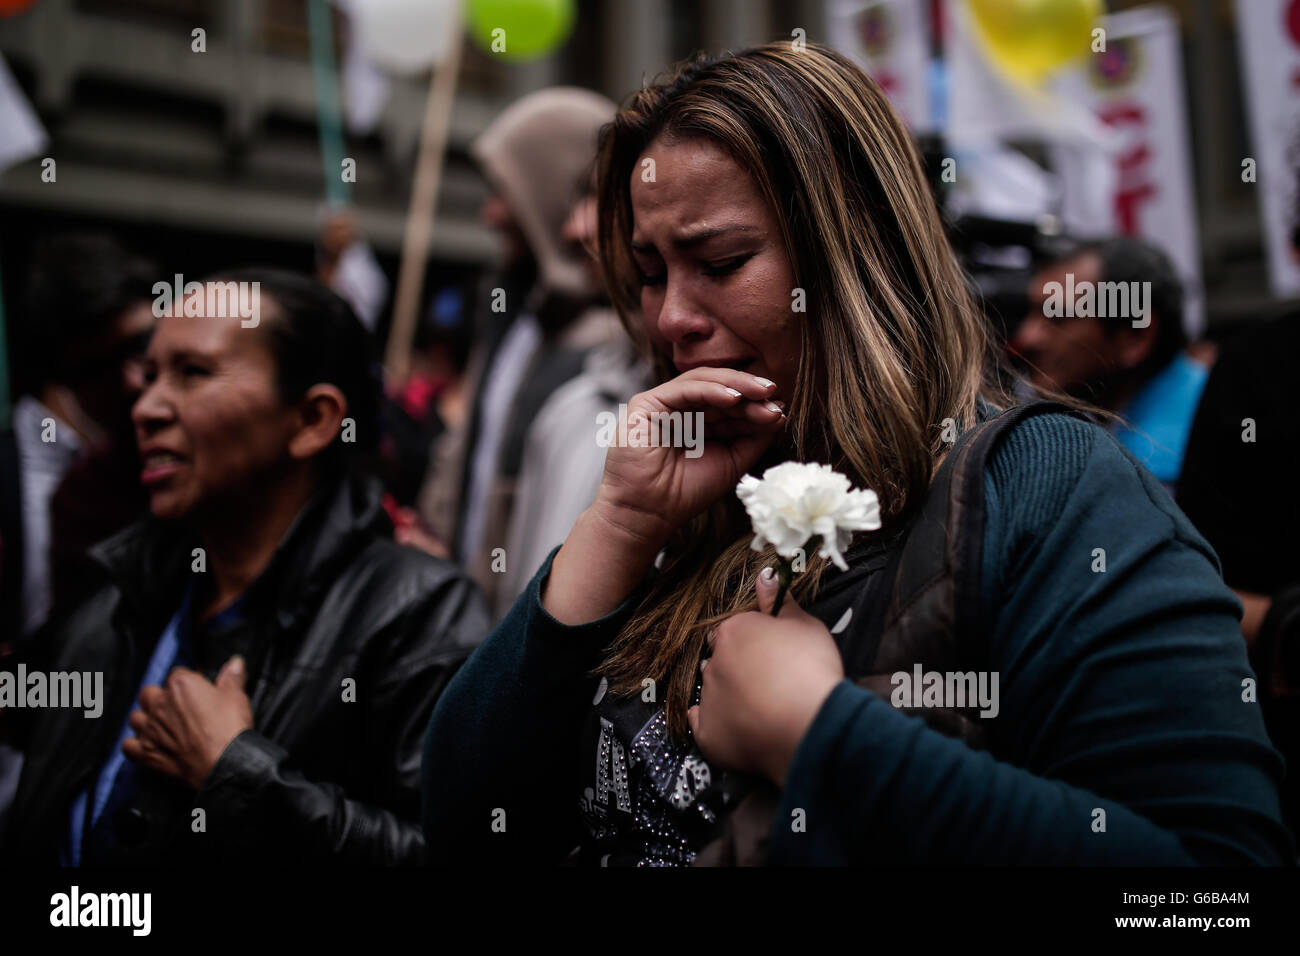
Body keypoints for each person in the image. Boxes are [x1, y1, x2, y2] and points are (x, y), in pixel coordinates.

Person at [421, 44, 1291, 866]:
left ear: (856, 254)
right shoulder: (678, 504)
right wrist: (616, 525)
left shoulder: (1049, 491)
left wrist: (816, 733)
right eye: (650, 273)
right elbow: (464, 827)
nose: (671, 318)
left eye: (721, 261)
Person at [3, 269, 488, 865]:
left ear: (312, 419)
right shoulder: (120, 590)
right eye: (150, 375)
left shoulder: (417, 612)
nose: (146, 408)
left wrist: (238, 771)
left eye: (193, 374)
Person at [414, 87, 620, 608]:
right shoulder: (512, 312)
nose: (491, 214)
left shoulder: (619, 346)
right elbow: (467, 454)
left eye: (504, 191)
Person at [1010, 237, 1209, 496]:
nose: (1027, 337)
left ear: (1135, 336)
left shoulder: (1167, 477)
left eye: (1057, 317)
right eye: (1032, 312)